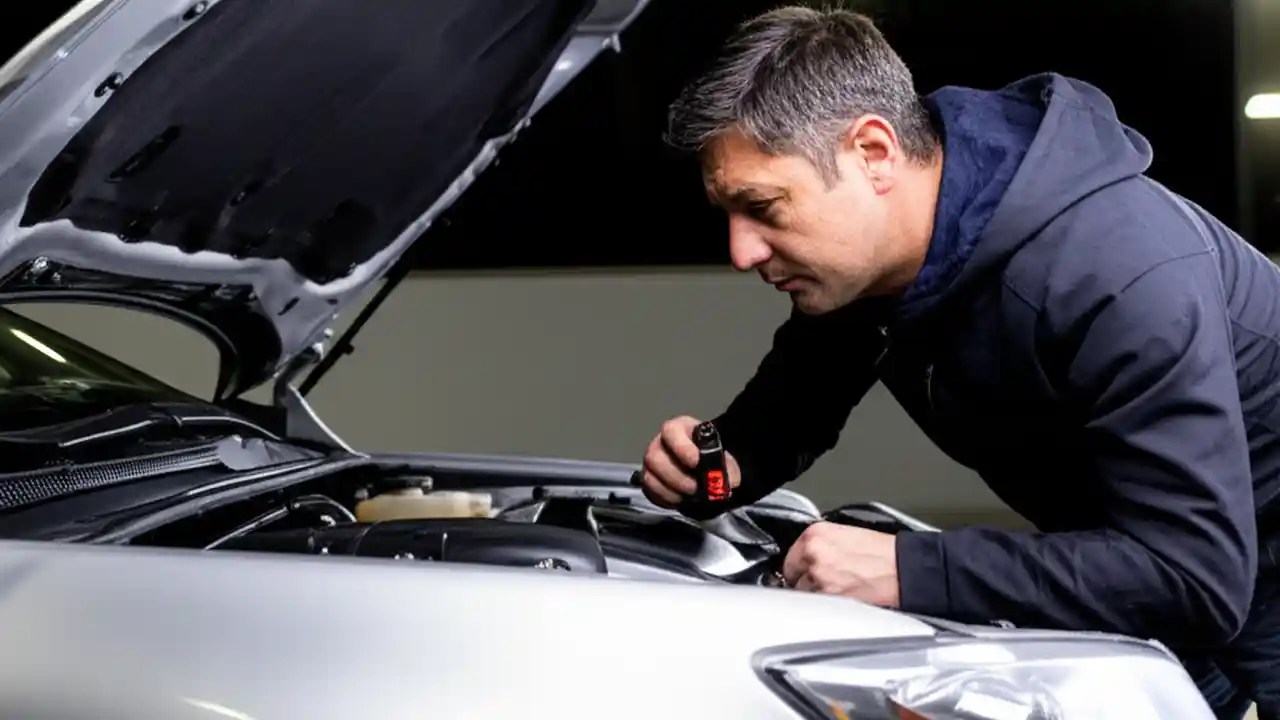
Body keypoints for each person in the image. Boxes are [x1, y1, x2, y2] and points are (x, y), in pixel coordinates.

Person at [636, 6, 1280, 718]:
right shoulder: (874, 270)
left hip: (1220, 571)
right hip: (1160, 571)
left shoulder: (1112, 274)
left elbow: (1195, 576)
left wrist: (907, 570)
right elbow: (787, 415)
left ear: (873, 154)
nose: (742, 252)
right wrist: (715, 469)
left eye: (763, 208)